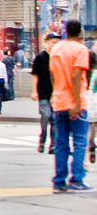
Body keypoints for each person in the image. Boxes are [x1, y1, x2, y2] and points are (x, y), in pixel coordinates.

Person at [48, 19, 92, 192]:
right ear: (80, 32)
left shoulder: (56, 48)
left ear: (65, 30)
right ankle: (77, 179)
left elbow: (52, 75)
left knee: (61, 142)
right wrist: (76, 103)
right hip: (75, 101)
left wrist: (55, 93)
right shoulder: (81, 49)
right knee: (80, 141)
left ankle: (59, 181)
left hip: (59, 100)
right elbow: (76, 76)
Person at [32, 30, 58, 154]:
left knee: (54, 118)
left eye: (58, 42)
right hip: (43, 92)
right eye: (53, 42)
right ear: (47, 43)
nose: (55, 45)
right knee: (46, 115)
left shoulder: (59, 57)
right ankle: (42, 139)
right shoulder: (40, 58)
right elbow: (35, 75)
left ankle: (53, 144)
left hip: (56, 93)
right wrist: (33, 91)